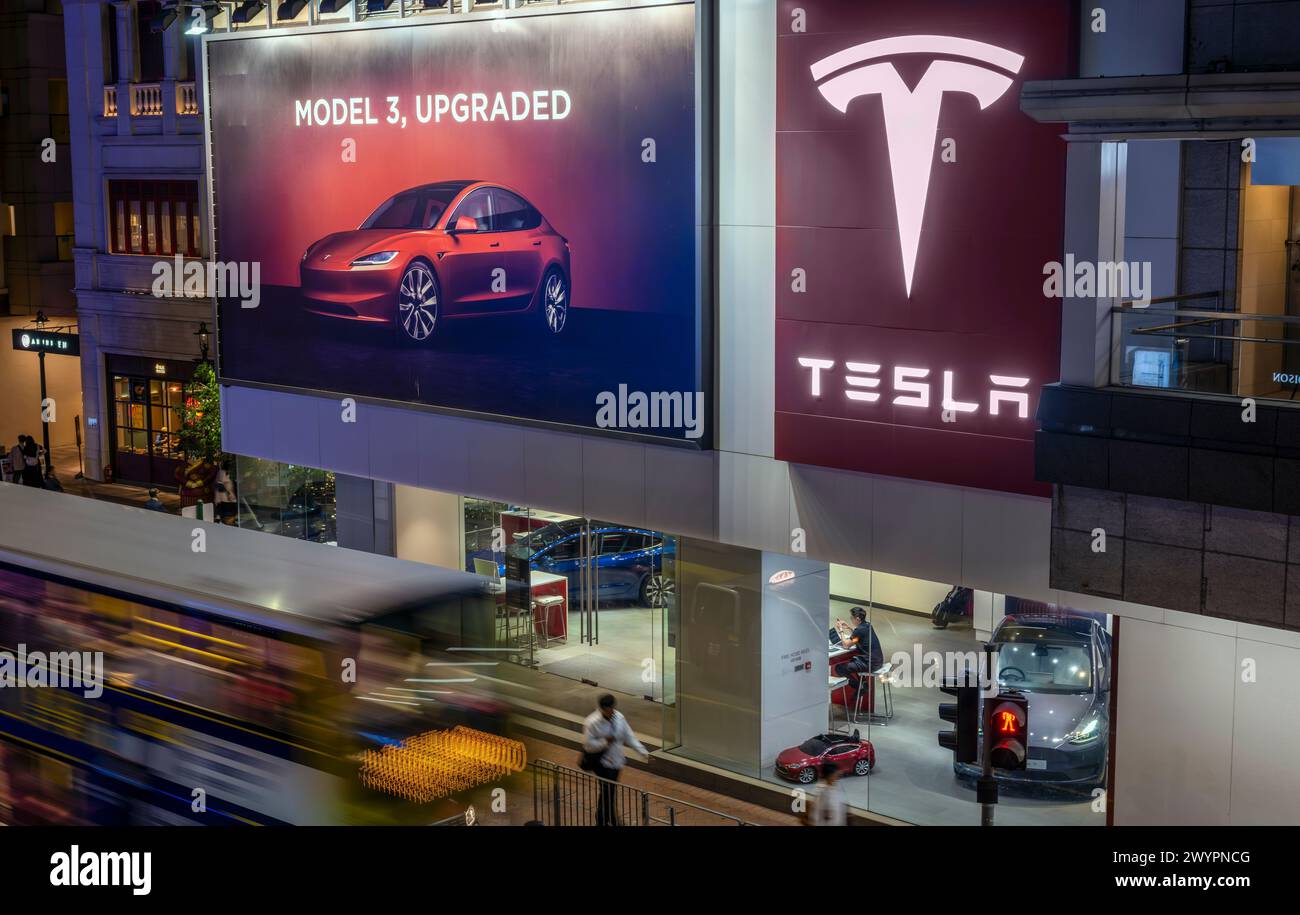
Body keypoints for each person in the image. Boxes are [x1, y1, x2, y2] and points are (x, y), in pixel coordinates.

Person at [581, 694, 649, 826]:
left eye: (612, 709)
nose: (611, 712)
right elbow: (588, 746)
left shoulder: (619, 717)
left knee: (609, 793)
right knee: (608, 792)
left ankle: (608, 819)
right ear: (602, 709)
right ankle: (605, 820)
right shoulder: (592, 722)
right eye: (608, 710)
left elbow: (629, 736)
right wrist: (605, 741)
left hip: (617, 761)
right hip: (603, 764)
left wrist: (643, 752)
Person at [834, 606, 885, 672]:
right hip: (877, 661)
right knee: (852, 662)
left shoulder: (859, 630)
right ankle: (859, 681)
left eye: (851, 618)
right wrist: (849, 628)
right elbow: (858, 638)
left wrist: (840, 630)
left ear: (857, 619)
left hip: (870, 664)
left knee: (839, 668)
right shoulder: (868, 625)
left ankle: (855, 682)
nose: (851, 619)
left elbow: (846, 645)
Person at [804, 761, 848, 826]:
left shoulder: (836, 785)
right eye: (836, 773)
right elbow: (816, 811)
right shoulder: (821, 790)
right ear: (830, 775)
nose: (839, 773)